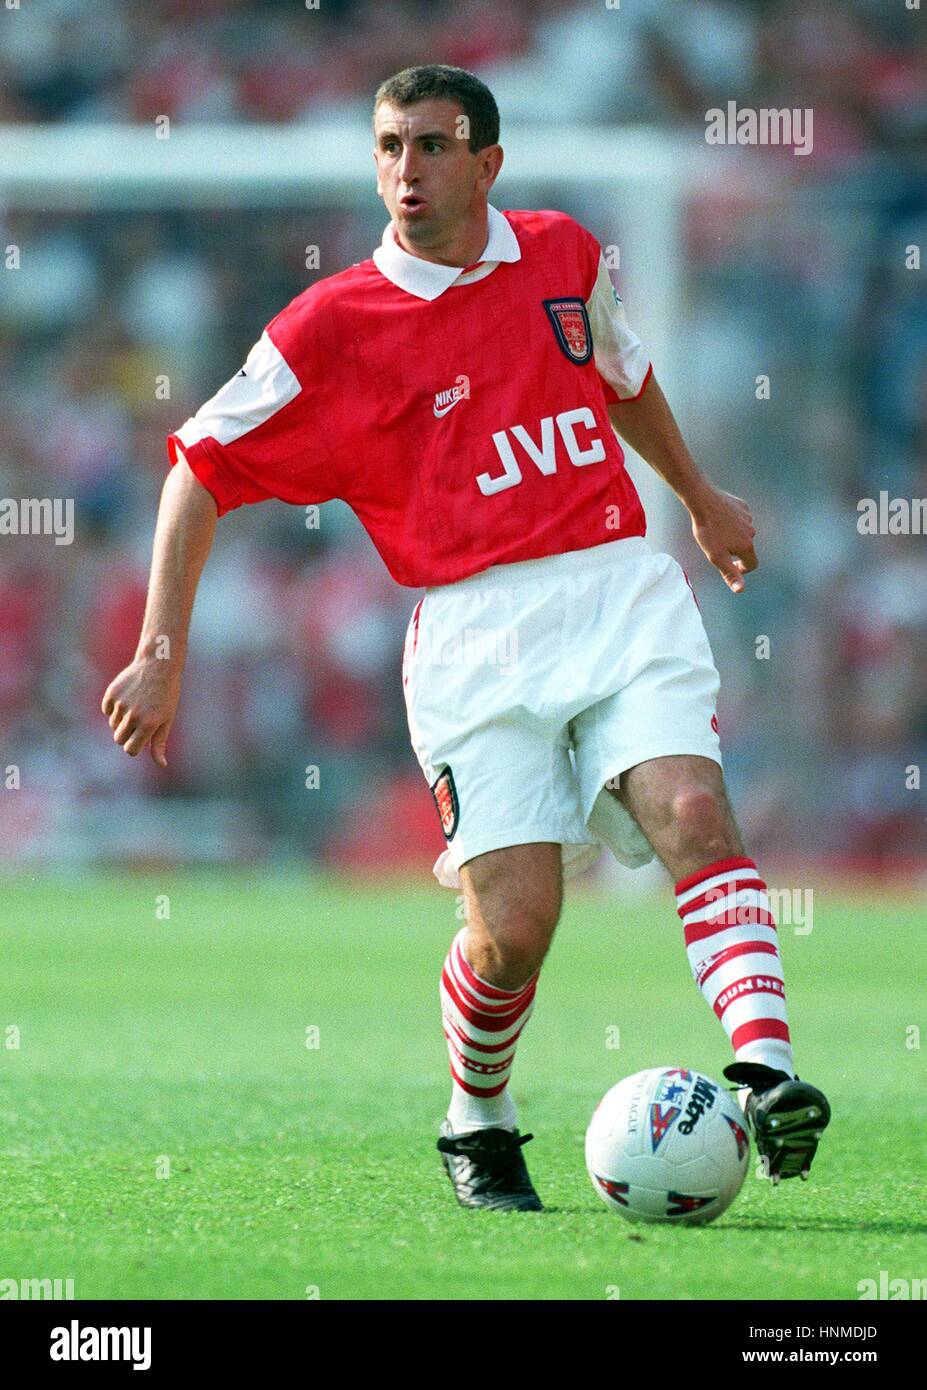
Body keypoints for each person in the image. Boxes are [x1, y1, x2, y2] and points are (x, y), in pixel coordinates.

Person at [102, 64, 830, 1212]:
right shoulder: (328, 326)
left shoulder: (563, 252)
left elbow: (622, 374)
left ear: (487, 163)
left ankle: (768, 1070)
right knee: (513, 933)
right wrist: (160, 647)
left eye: (434, 147)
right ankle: (476, 1116)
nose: (408, 171)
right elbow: (194, 465)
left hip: (612, 586)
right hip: (473, 636)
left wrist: (697, 492)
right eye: (391, 147)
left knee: (692, 808)